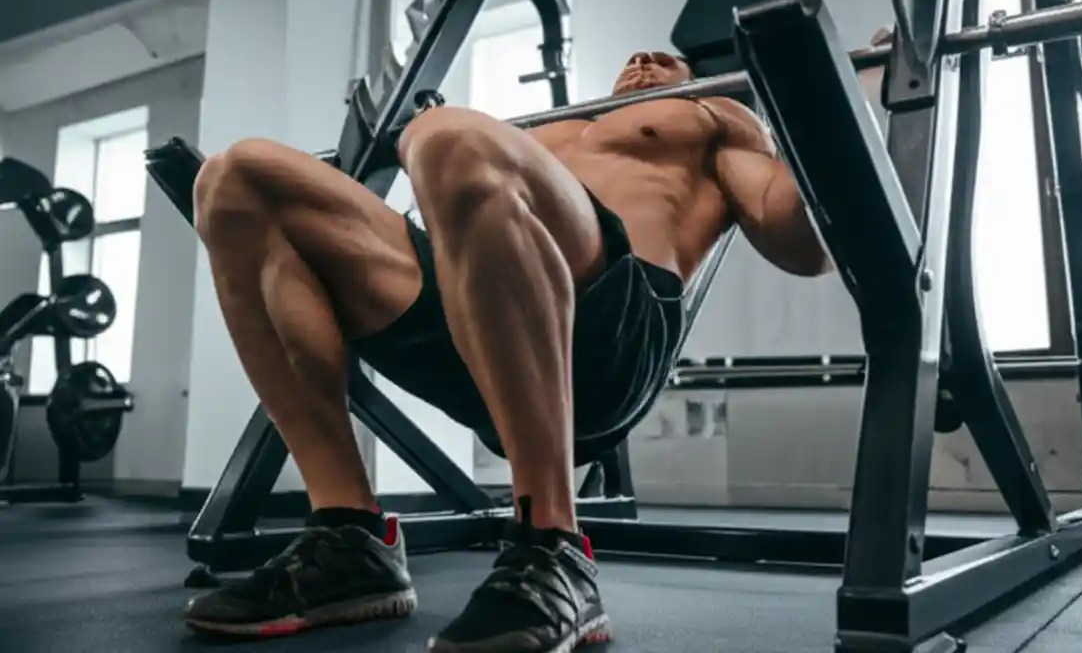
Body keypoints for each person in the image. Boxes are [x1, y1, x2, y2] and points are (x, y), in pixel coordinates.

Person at [182, 45, 885, 651]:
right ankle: (349, 536)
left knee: (447, 134)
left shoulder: (715, 117)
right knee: (233, 178)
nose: (644, 60)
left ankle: (553, 543)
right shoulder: (551, 129)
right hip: (476, 314)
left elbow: (804, 243)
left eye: (664, 58)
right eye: (634, 56)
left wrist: (860, 97)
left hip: (609, 337)